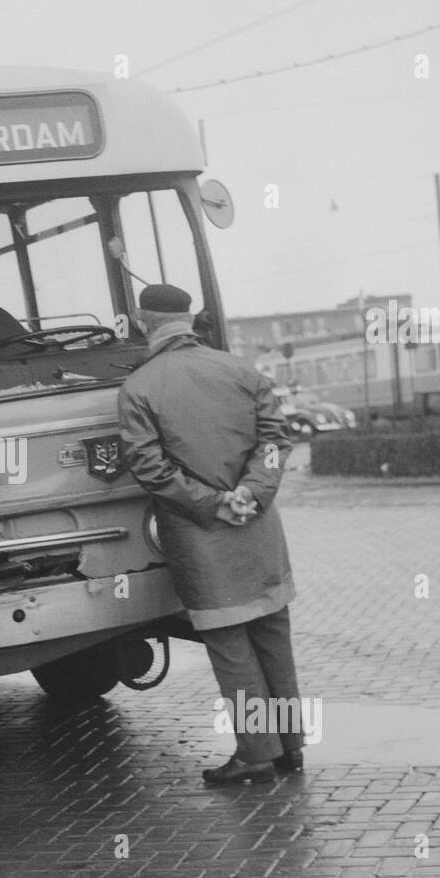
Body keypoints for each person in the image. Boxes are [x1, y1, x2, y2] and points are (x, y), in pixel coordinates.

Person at [117, 285, 306, 785]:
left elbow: (150, 468)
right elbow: (275, 440)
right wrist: (251, 492)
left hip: (201, 536)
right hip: (258, 526)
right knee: (273, 636)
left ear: (142, 322)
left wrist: (212, 501)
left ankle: (256, 753)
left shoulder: (139, 388)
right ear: (189, 319)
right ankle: (291, 747)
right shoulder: (242, 370)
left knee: (231, 645)